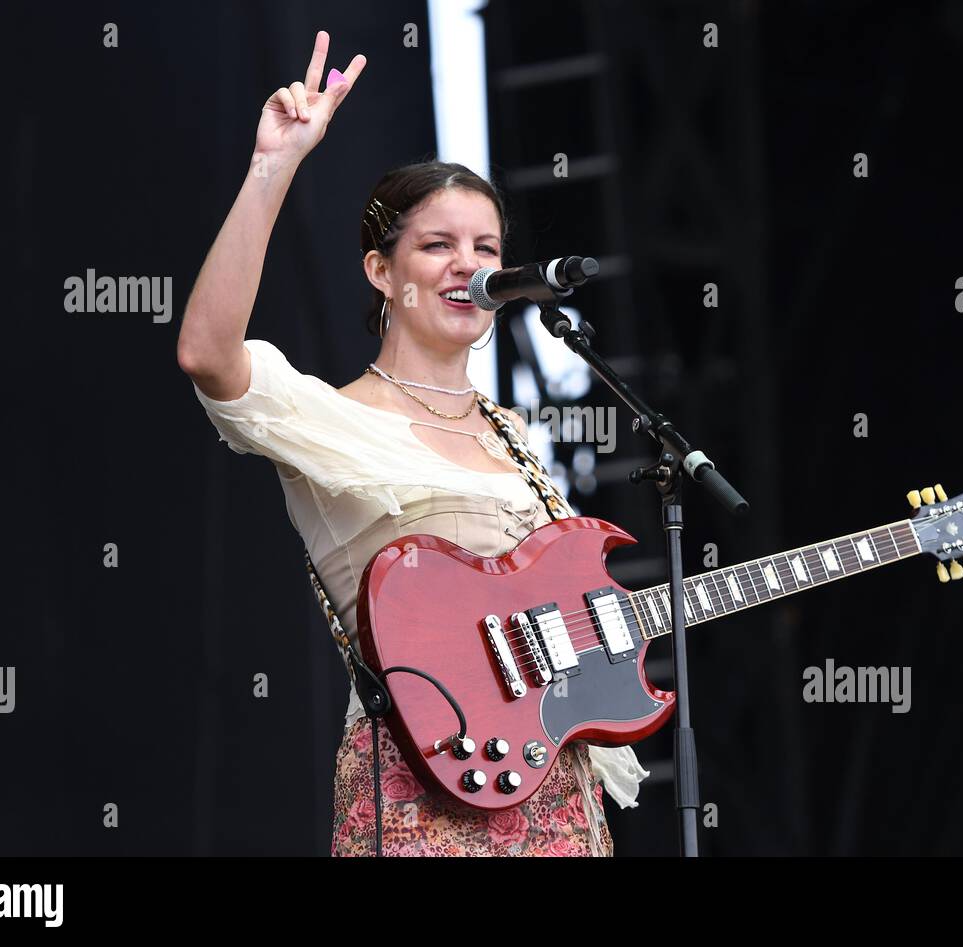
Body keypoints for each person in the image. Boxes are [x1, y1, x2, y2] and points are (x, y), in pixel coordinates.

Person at [176, 30, 649, 857]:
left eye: (488, 249)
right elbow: (208, 353)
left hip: (553, 787)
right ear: (380, 271)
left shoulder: (511, 437)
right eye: (438, 245)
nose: (468, 265)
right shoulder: (329, 418)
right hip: (416, 785)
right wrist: (273, 165)